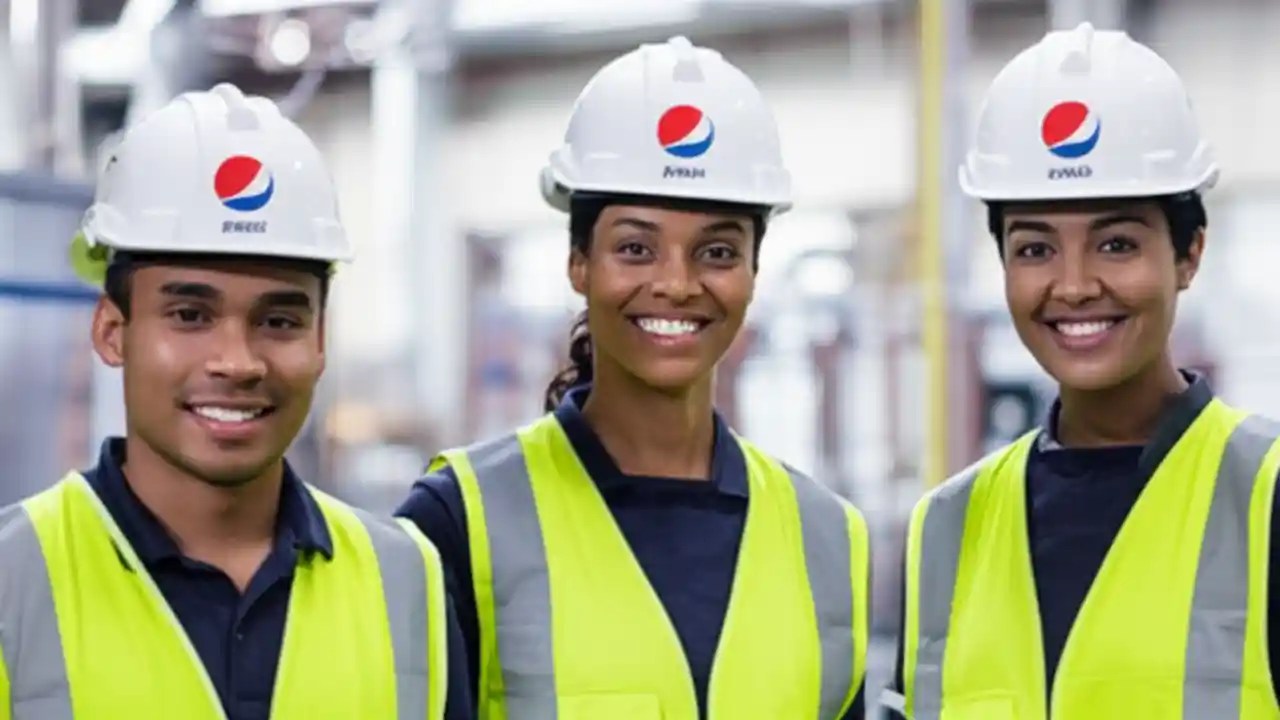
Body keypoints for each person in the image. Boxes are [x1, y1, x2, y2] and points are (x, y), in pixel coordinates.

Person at [397, 35, 869, 720]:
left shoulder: (827, 537)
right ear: (579, 263)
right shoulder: (459, 522)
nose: (676, 284)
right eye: (635, 248)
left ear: (753, 271)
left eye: (715, 250)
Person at [0, 83, 471, 719]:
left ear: (321, 339)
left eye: (279, 321)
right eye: (190, 314)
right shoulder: (12, 578)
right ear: (113, 331)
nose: (239, 362)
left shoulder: (405, 578)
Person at [881, 22, 1280, 720]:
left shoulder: (1267, 498)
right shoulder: (946, 530)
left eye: (1116, 243)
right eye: (1035, 249)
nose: (1072, 286)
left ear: (1189, 253)